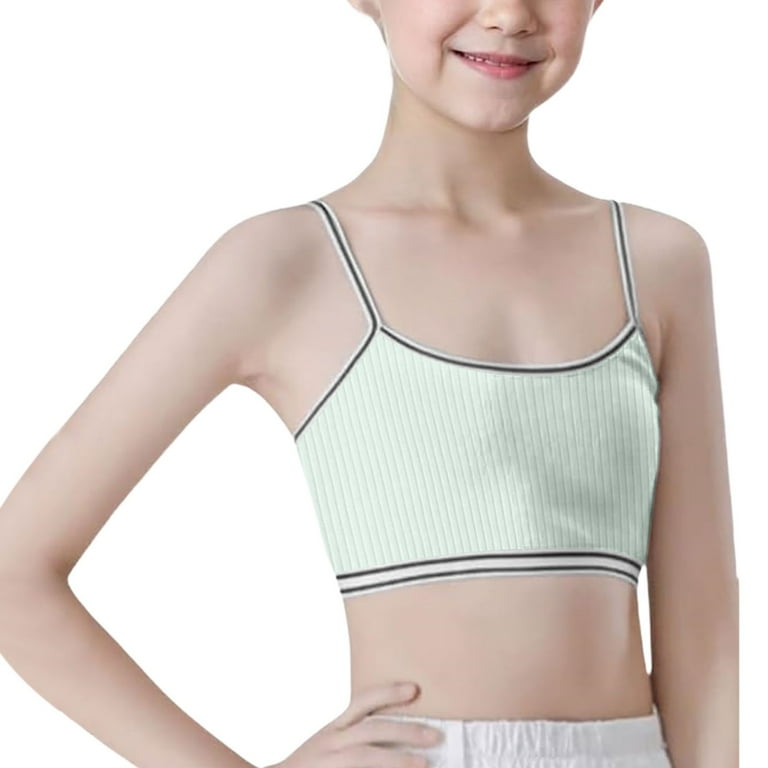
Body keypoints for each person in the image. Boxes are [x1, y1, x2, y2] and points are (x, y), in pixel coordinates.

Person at [0, 0, 739, 767]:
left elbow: (703, 618)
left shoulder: (657, 260)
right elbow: (14, 572)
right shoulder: (286, 264)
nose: (508, 14)